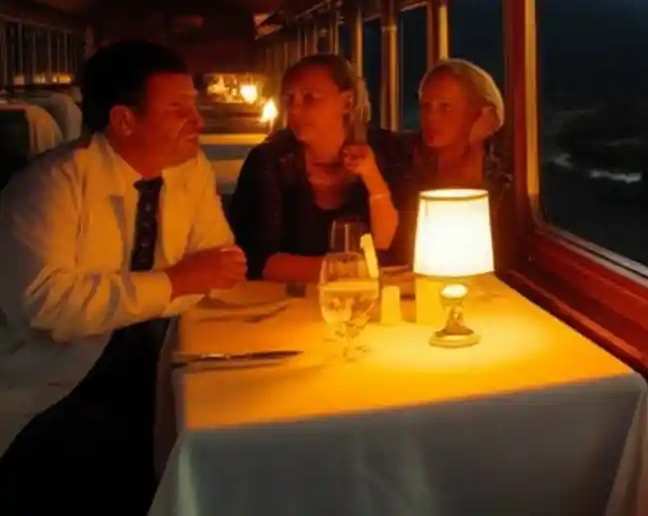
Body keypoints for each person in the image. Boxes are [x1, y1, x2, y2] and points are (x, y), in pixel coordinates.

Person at [0, 40, 246, 513]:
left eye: (194, 107)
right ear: (125, 120)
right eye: (178, 110)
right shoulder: (50, 186)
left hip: (159, 362)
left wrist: (175, 284)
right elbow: (50, 306)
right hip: (59, 386)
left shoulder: (189, 169)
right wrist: (174, 283)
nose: (197, 122)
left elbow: (220, 265)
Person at [230, 54, 399, 282]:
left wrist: (372, 177)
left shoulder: (383, 150)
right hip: (282, 298)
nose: (295, 110)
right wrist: (348, 270)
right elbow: (258, 261)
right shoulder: (269, 162)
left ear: (347, 102)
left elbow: (388, 247)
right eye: (290, 99)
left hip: (360, 294)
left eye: (309, 98)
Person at [391, 59, 511, 265]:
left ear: (484, 114)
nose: (431, 117)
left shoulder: (505, 175)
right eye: (426, 106)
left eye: (445, 107)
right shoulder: (403, 158)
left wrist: (474, 145)